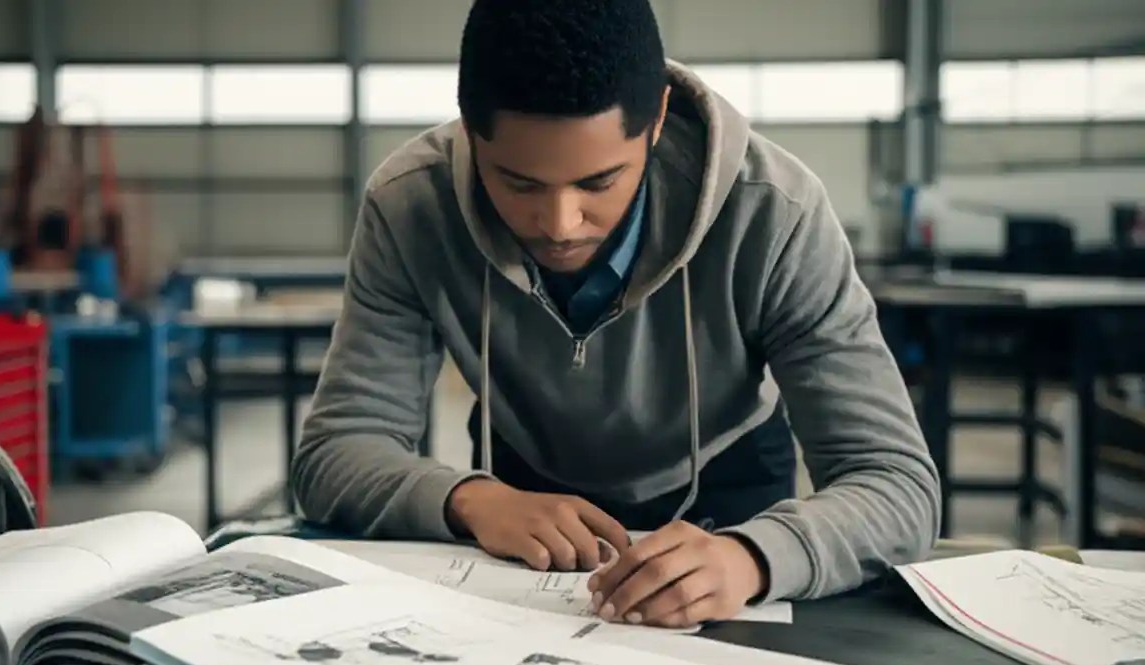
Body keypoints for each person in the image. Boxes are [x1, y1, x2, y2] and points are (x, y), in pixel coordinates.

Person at [291, 0, 940, 627]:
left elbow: (896, 484)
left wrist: (755, 559)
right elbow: (336, 451)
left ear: (657, 118)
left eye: (598, 182)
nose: (559, 224)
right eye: (519, 183)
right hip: (518, 507)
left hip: (729, 502)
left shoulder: (775, 215)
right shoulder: (410, 206)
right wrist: (470, 500)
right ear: (468, 127)